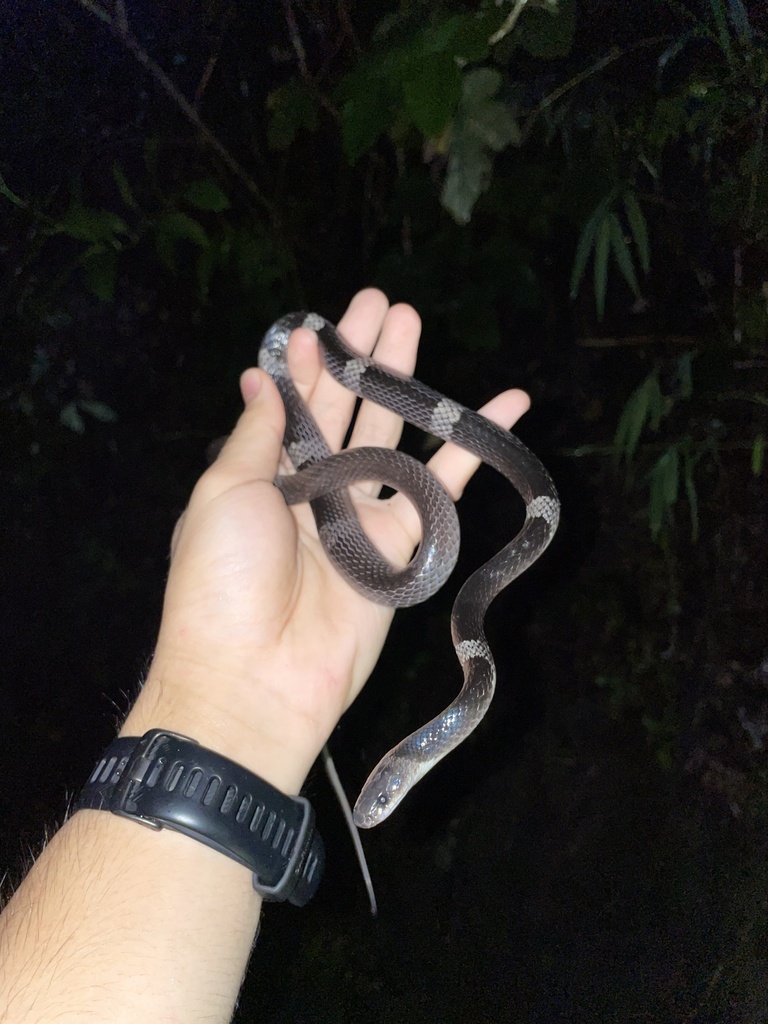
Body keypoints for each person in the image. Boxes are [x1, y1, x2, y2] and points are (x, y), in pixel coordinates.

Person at [0, 289, 530, 1024]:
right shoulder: (445, 654)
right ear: (396, 766)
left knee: (330, 398)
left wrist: (227, 697)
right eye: (381, 795)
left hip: (336, 471)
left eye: (381, 796)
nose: (378, 803)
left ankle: (312, 347)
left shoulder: (453, 646)